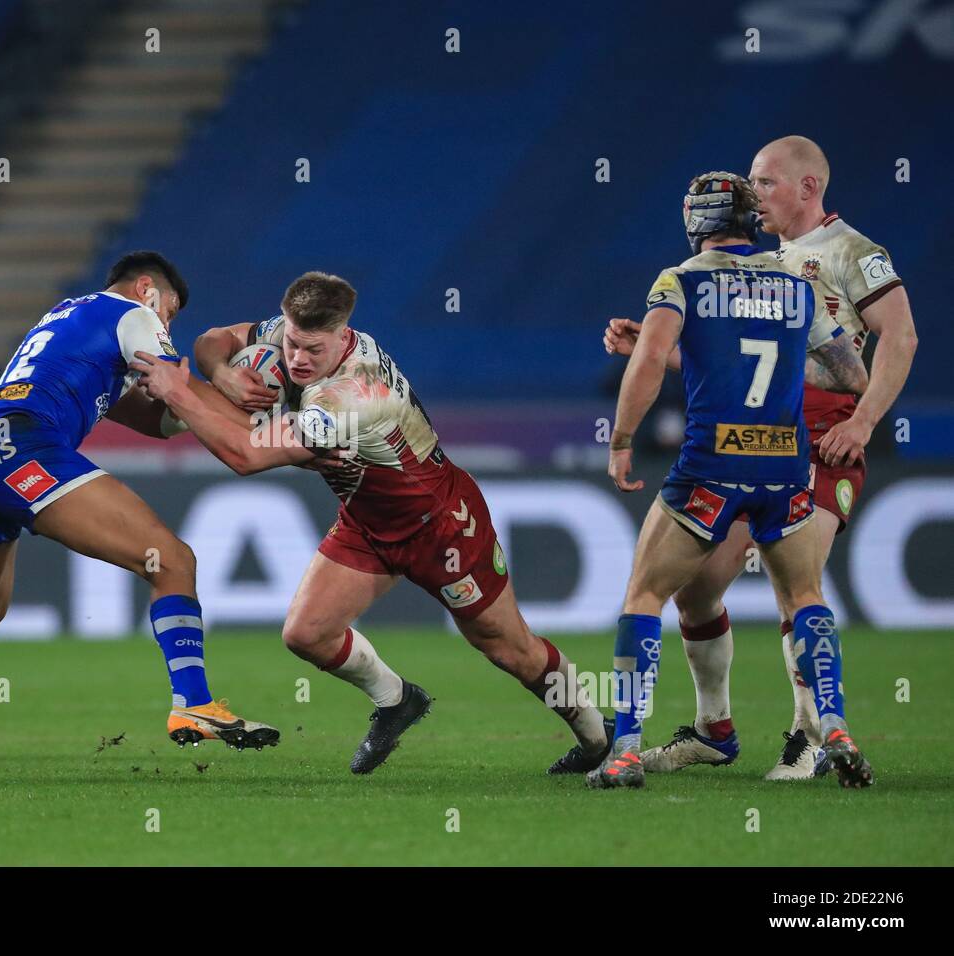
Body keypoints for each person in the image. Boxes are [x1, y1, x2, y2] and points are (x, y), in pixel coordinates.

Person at [131, 272, 612, 775]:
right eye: (292, 343)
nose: (296, 359)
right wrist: (223, 375)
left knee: (510, 650)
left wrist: (179, 393)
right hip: (367, 518)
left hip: (440, 524)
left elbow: (246, 458)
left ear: (344, 335)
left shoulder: (350, 396)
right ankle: (397, 701)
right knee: (307, 633)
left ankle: (598, 740)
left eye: (312, 350)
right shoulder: (291, 335)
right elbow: (214, 340)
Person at [0, 251, 279, 781]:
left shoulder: (69, 316)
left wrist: (195, 407)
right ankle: (193, 701)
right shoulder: (136, 315)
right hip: (25, 446)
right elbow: (176, 386)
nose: (167, 323)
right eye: (169, 309)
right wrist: (249, 408)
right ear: (147, 288)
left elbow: (158, 417)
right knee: (172, 560)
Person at [603, 137, 917, 780]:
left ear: (808, 187)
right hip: (774, 446)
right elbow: (745, 365)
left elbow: (902, 337)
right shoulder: (779, 273)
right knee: (699, 593)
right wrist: (661, 349)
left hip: (820, 443)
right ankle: (719, 730)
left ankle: (806, 738)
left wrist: (862, 422)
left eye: (766, 180)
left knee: (774, 591)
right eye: (749, 183)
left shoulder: (854, 252)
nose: (755, 191)